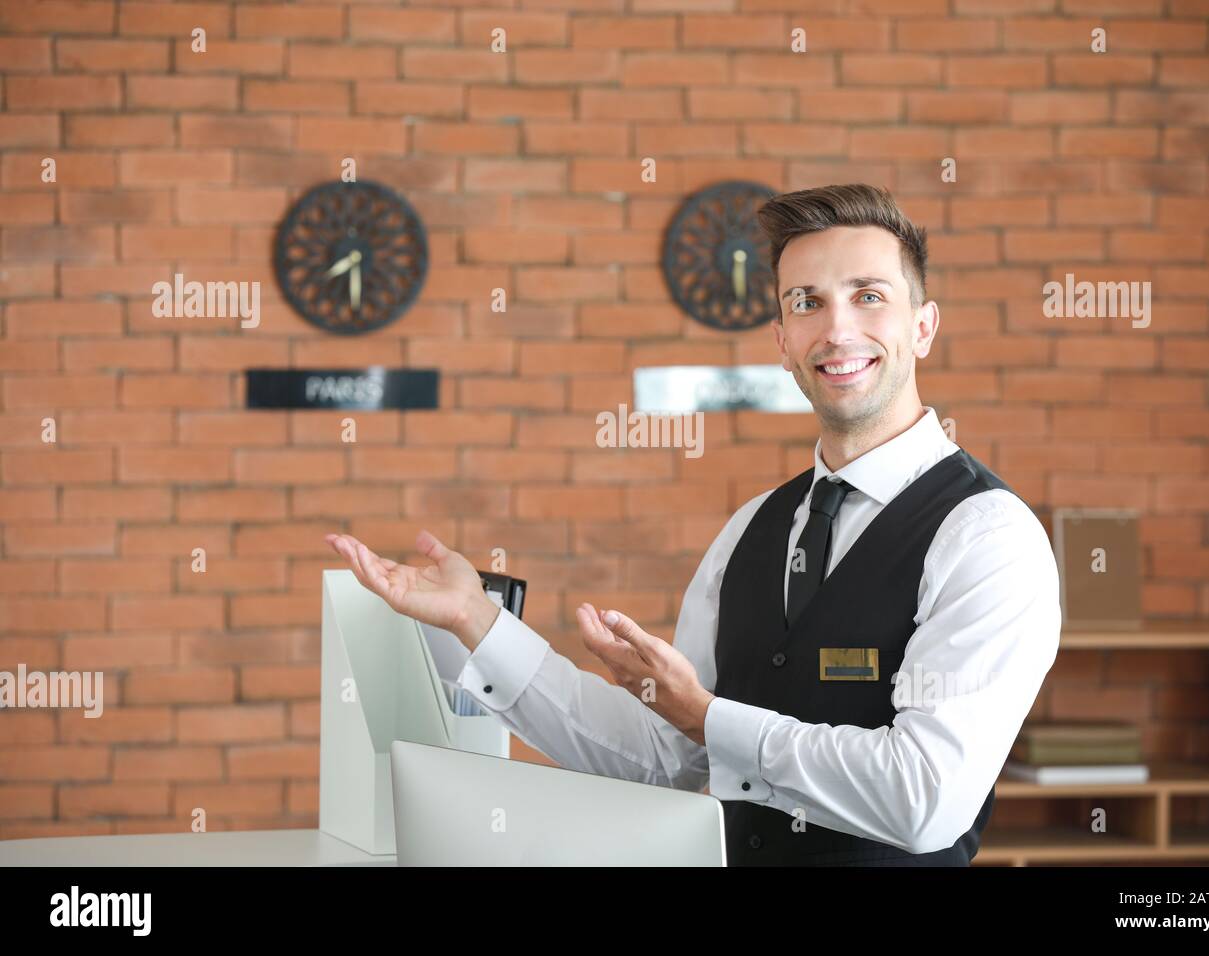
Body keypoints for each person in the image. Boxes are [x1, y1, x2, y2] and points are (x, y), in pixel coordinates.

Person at [325, 183, 1060, 866]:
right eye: (806, 302)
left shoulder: (988, 537)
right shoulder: (752, 530)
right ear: (781, 340)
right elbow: (668, 758)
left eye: (869, 297)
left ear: (923, 326)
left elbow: (923, 799)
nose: (837, 330)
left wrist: (708, 717)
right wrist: (478, 624)